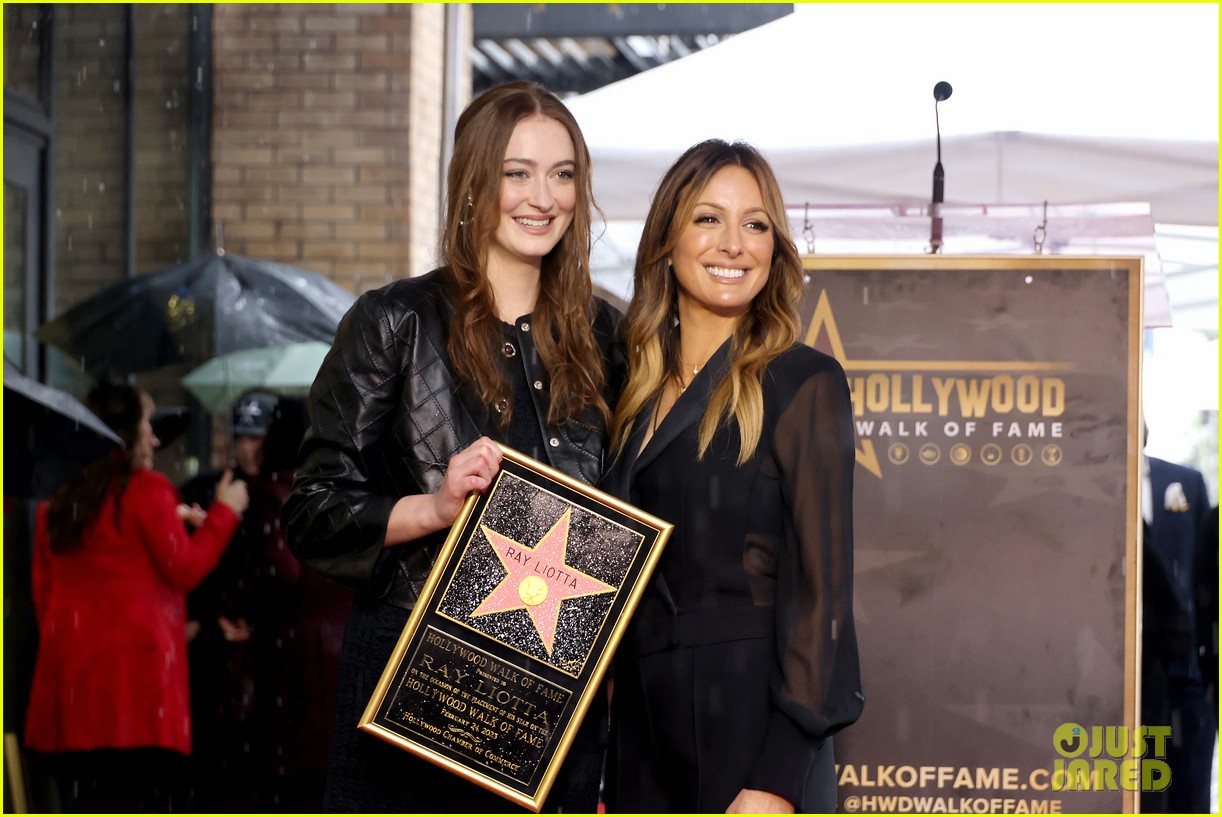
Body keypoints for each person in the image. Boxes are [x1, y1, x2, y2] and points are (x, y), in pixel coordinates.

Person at [282, 80, 625, 813]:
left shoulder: (608, 340)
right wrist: (433, 507)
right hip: (415, 700)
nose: (544, 196)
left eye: (563, 174)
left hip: (553, 710)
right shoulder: (393, 323)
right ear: (474, 182)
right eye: (517, 172)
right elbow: (310, 511)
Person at [600, 140, 864, 813]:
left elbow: (822, 600)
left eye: (755, 224)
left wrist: (778, 775)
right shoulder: (627, 390)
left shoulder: (802, 381)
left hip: (752, 740)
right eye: (708, 218)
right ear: (666, 239)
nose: (734, 243)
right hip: (642, 743)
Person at [22, 382, 249, 812]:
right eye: (148, 424)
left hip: (68, 694)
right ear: (125, 434)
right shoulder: (147, 491)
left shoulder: (58, 499)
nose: (156, 437)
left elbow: (43, 592)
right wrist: (225, 512)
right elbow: (185, 569)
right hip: (135, 697)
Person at [186, 394, 353, 811]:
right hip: (335, 658)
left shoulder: (271, 494)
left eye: (256, 435)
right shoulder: (338, 489)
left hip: (291, 667)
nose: (248, 446)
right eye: (240, 435)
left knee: (281, 790)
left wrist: (238, 609)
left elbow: (277, 572)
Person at [1142, 445, 1214, 814]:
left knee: (1189, 792)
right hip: (1122, 673)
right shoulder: (1092, 492)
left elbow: (1205, 574)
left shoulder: (1186, 481)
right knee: (1133, 788)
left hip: (1186, 672)